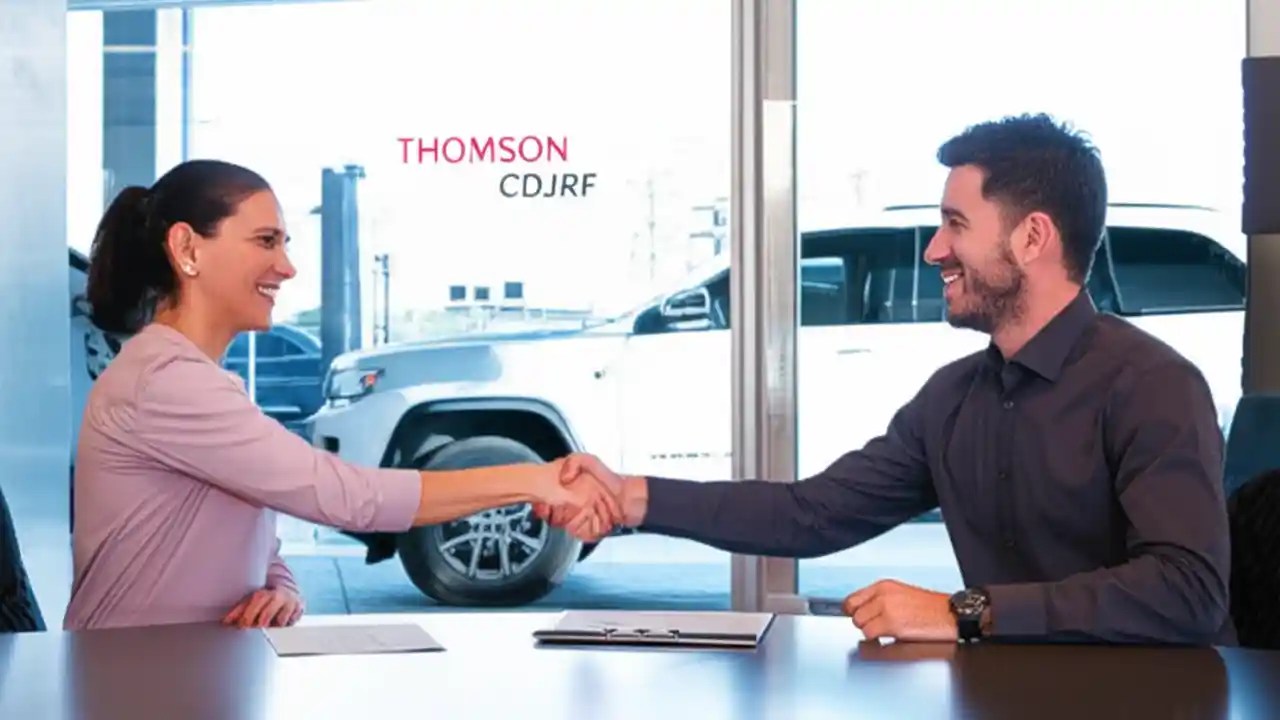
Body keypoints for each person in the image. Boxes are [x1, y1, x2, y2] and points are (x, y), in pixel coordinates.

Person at [541, 114, 1235, 646]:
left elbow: (1188, 591)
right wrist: (632, 498)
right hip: (1003, 694)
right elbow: (813, 513)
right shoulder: (952, 397)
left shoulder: (1152, 383)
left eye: (954, 224)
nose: (934, 249)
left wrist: (964, 612)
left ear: (1031, 238)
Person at [66, 159, 616, 631]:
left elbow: (256, 538)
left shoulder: (199, 379)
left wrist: (281, 591)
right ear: (187, 247)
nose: (286, 266)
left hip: (187, 676)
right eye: (265, 241)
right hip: (131, 680)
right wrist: (535, 478)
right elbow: (345, 496)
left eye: (284, 243)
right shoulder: (164, 380)